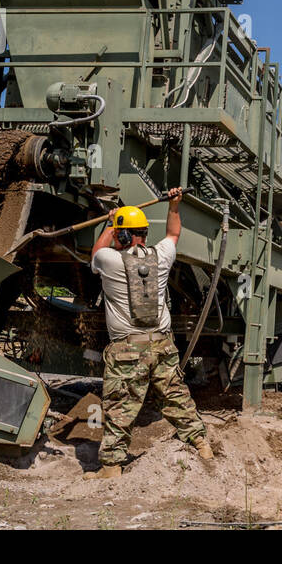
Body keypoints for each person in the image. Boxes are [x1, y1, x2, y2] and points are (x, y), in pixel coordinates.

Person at [84, 188, 213, 480]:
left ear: (124, 236)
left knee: (120, 409)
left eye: (119, 234)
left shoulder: (109, 260)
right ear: (143, 232)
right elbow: (174, 234)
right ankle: (201, 444)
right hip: (162, 346)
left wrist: (109, 222)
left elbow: (95, 254)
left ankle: (112, 467)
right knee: (177, 398)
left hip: (127, 350)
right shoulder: (163, 256)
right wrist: (174, 205)